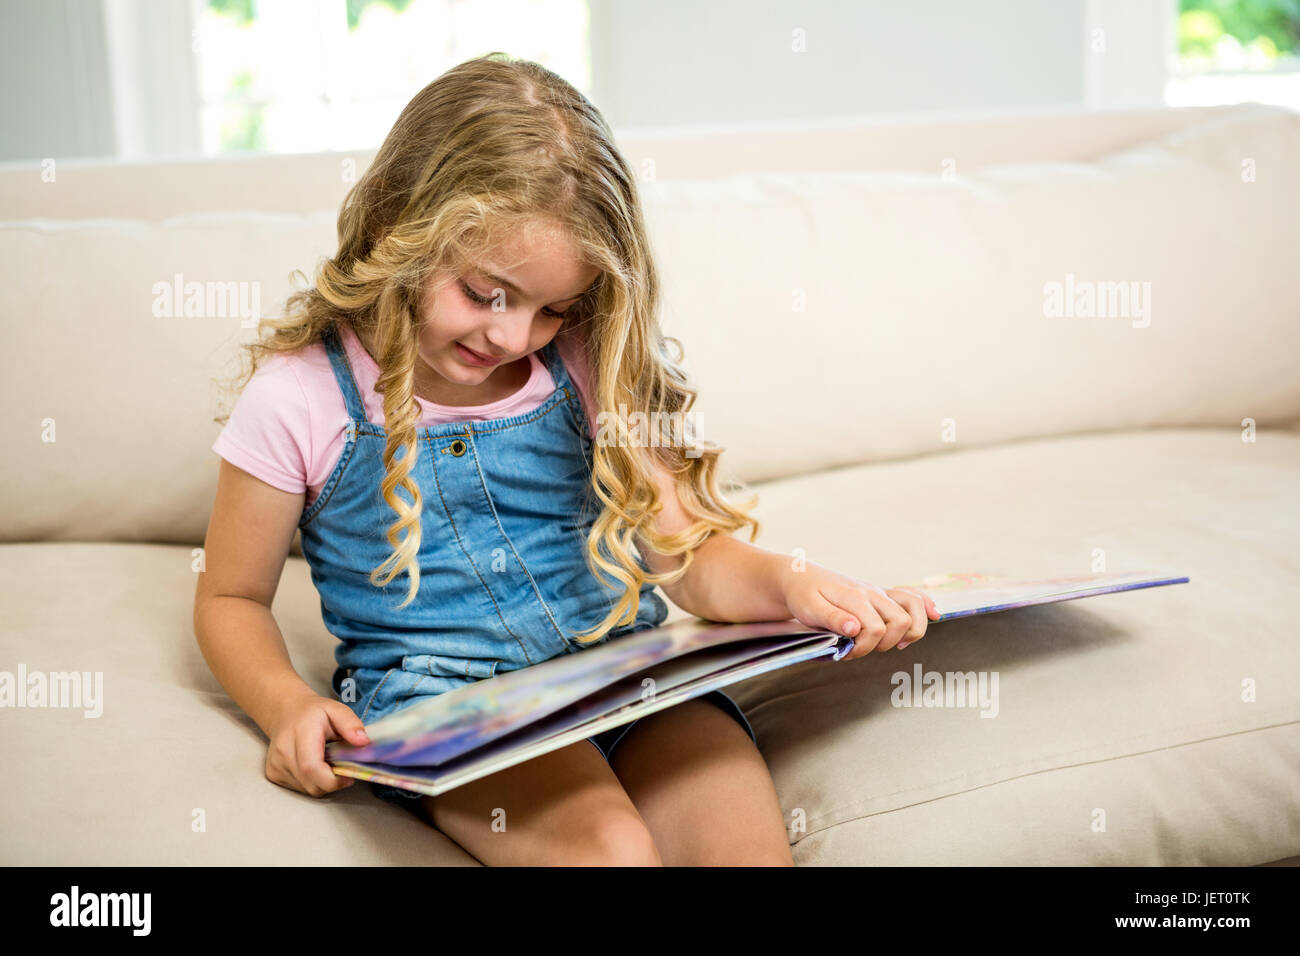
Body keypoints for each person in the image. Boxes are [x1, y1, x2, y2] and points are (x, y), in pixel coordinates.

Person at [194, 52, 937, 867]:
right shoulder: (300, 396)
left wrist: (796, 587)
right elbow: (231, 597)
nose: (513, 336)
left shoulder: (584, 362)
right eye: (486, 294)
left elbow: (688, 561)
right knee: (610, 851)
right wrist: (286, 706)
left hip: (627, 673)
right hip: (453, 709)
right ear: (396, 226)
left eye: (554, 308)